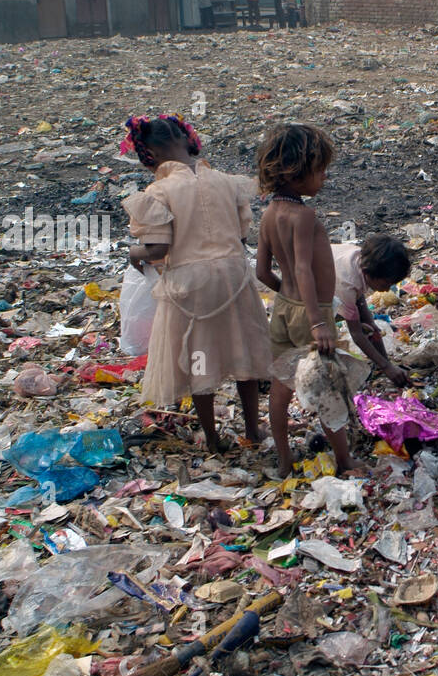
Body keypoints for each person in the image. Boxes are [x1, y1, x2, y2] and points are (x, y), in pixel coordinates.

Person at [120, 114, 272, 452]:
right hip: (234, 275)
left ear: (151, 153)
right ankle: (252, 428)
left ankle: (213, 438)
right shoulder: (226, 181)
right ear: (186, 139)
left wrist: (135, 252)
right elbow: (241, 233)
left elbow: (159, 248)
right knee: (243, 349)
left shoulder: (159, 191)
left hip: (191, 285)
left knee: (200, 357)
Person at [254, 124, 364, 476]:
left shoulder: (269, 214)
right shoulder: (304, 216)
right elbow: (303, 268)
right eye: (320, 170)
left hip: (283, 311)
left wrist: (286, 299)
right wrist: (316, 320)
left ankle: (285, 460)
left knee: (280, 387)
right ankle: (344, 460)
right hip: (309, 314)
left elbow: (262, 272)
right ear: (297, 173)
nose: (324, 177)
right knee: (328, 385)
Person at [335, 235, 412, 386]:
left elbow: (359, 296)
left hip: (333, 278)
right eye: (386, 283)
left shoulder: (363, 259)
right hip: (306, 293)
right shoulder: (346, 284)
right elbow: (357, 334)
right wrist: (387, 367)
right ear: (369, 273)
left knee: (369, 325)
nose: (388, 288)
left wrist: (370, 321)